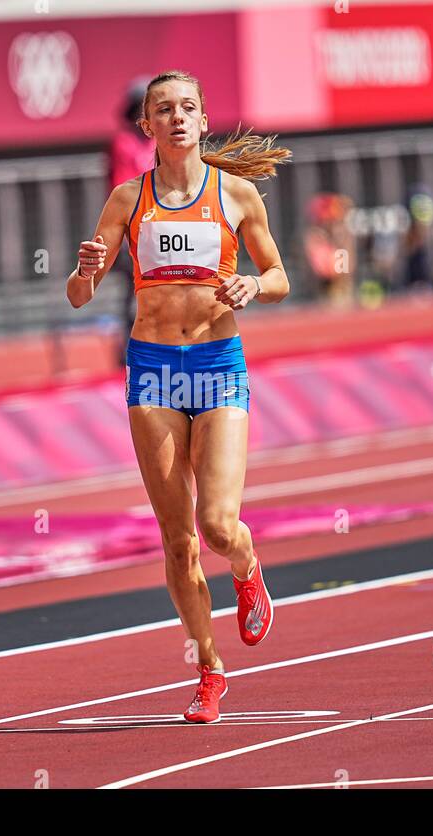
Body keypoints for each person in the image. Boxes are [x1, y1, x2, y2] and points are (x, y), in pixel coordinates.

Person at [66, 70, 291, 724]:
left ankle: (248, 567)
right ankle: (209, 669)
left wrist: (254, 286)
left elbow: (279, 274)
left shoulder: (237, 195)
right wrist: (82, 274)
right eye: (164, 109)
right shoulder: (126, 201)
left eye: (188, 106)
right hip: (155, 369)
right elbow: (80, 296)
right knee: (177, 541)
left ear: (201, 117)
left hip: (218, 363)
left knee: (219, 526)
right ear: (148, 127)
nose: (178, 117)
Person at [111, 76, 157, 366]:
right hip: (135, 232)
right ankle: (130, 353)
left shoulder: (159, 143)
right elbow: (123, 188)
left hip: (164, 229)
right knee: (137, 292)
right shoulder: (124, 144)